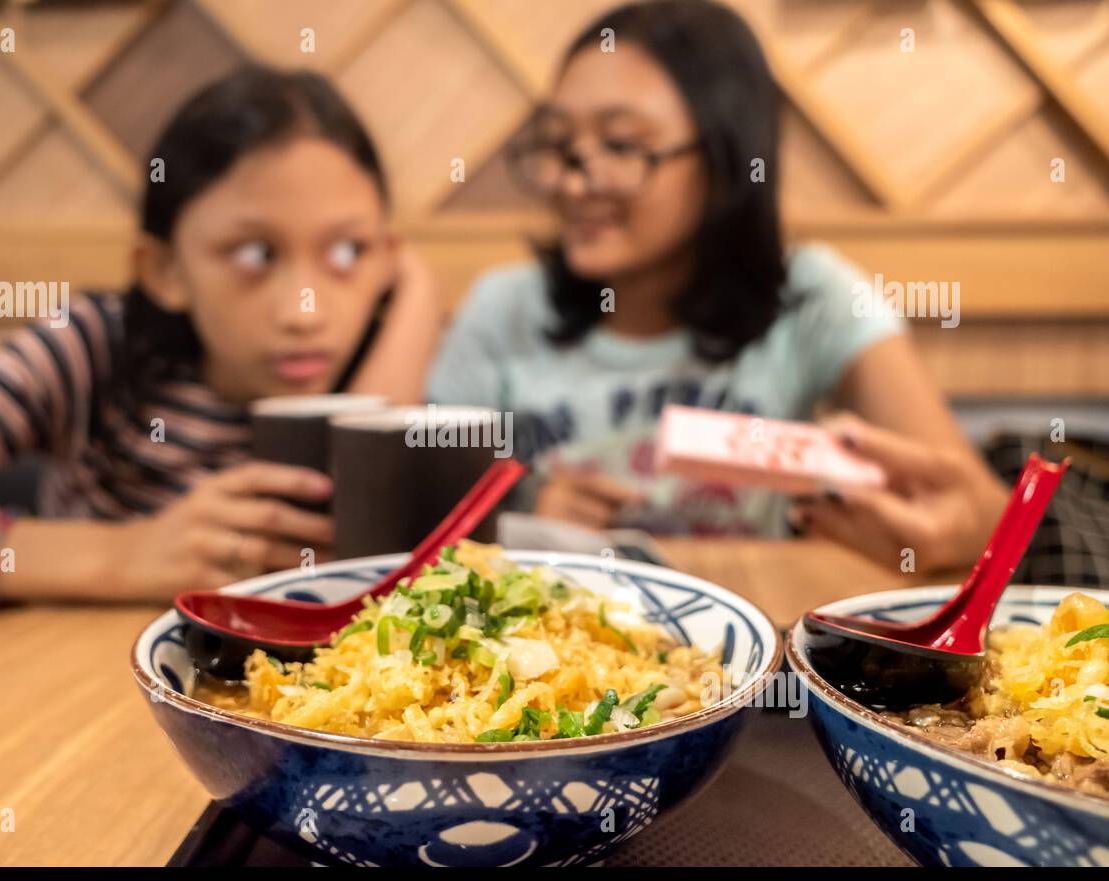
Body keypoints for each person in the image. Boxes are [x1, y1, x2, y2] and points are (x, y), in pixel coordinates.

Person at [0, 65, 442, 605]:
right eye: (254, 254)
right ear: (164, 270)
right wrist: (121, 556)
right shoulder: (90, 350)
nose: (305, 313)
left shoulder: (385, 364)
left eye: (348, 251)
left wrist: (416, 305)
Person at [427, 0, 1006, 572]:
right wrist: (529, 526)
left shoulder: (810, 297)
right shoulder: (502, 309)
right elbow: (424, 528)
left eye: (621, 145)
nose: (574, 183)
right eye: (559, 146)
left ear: (725, 157)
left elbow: (982, 516)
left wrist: (934, 535)